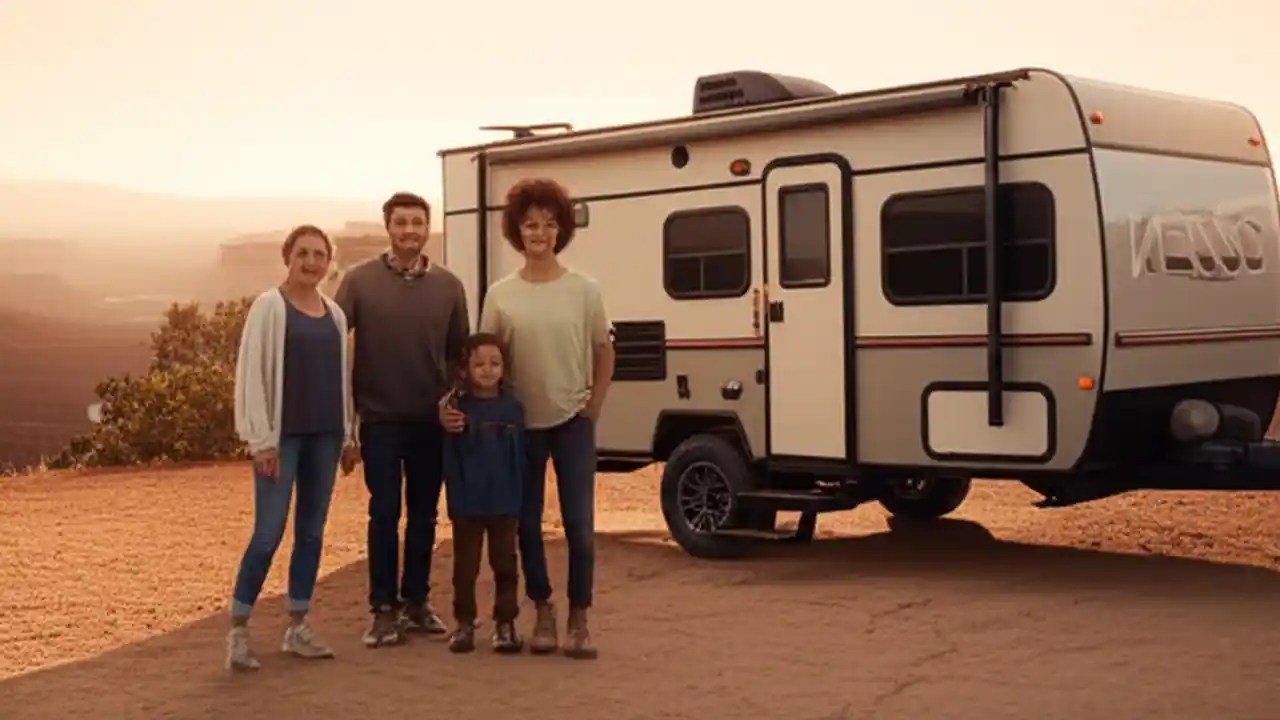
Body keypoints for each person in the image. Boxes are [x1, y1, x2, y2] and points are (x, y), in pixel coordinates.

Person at [441, 177, 614, 660]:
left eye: (549, 224)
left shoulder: (585, 289)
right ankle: (542, 610)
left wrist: (594, 403)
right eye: (530, 224)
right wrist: (452, 406)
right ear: (518, 232)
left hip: (573, 423)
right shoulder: (501, 294)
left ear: (560, 231)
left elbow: (605, 350)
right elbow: (482, 360)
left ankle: (580, 617)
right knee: (528, 525)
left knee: (580, 525)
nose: (539, 233)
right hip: (518, 431)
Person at [335, 191, 470, 648]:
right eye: (401, 222)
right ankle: (382, 611)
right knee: (384, 513)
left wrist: (453, 402)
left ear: (427, 228)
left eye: (417, 222)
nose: (409, 230)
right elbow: (332, 342)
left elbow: (459, 355)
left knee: (425, 516)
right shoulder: (358, 282)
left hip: (430, 421)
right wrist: (344, 423)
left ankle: (417, 603)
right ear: (387, 228)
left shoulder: (450, 287)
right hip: (380, 420)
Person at [225, 224, 358, 672]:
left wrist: (347, 436)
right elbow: (251, 375)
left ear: (328, 262)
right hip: (280, 441)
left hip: (324, 436)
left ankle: (297, 626)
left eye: (320, 254)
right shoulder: (269, 307)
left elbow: (343, 381)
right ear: (288, 257)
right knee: (268, 533)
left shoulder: (335, 315)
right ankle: (239, 631)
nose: (312, 261)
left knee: (312, 533)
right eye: (303, 253)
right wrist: (260, 440)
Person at [441, 332, 526, 654]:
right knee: (466, 568)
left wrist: (519, 498)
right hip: (468, 504)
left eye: (495, 363)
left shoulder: (513, 409)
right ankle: (464, 624)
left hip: (504, 502)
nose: (487, 370)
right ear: (465, 369)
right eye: (479, 364)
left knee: (505, 564)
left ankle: (506, 624)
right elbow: (451, 460)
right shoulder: (456, 411)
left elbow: (520, 460)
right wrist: (456, 501)